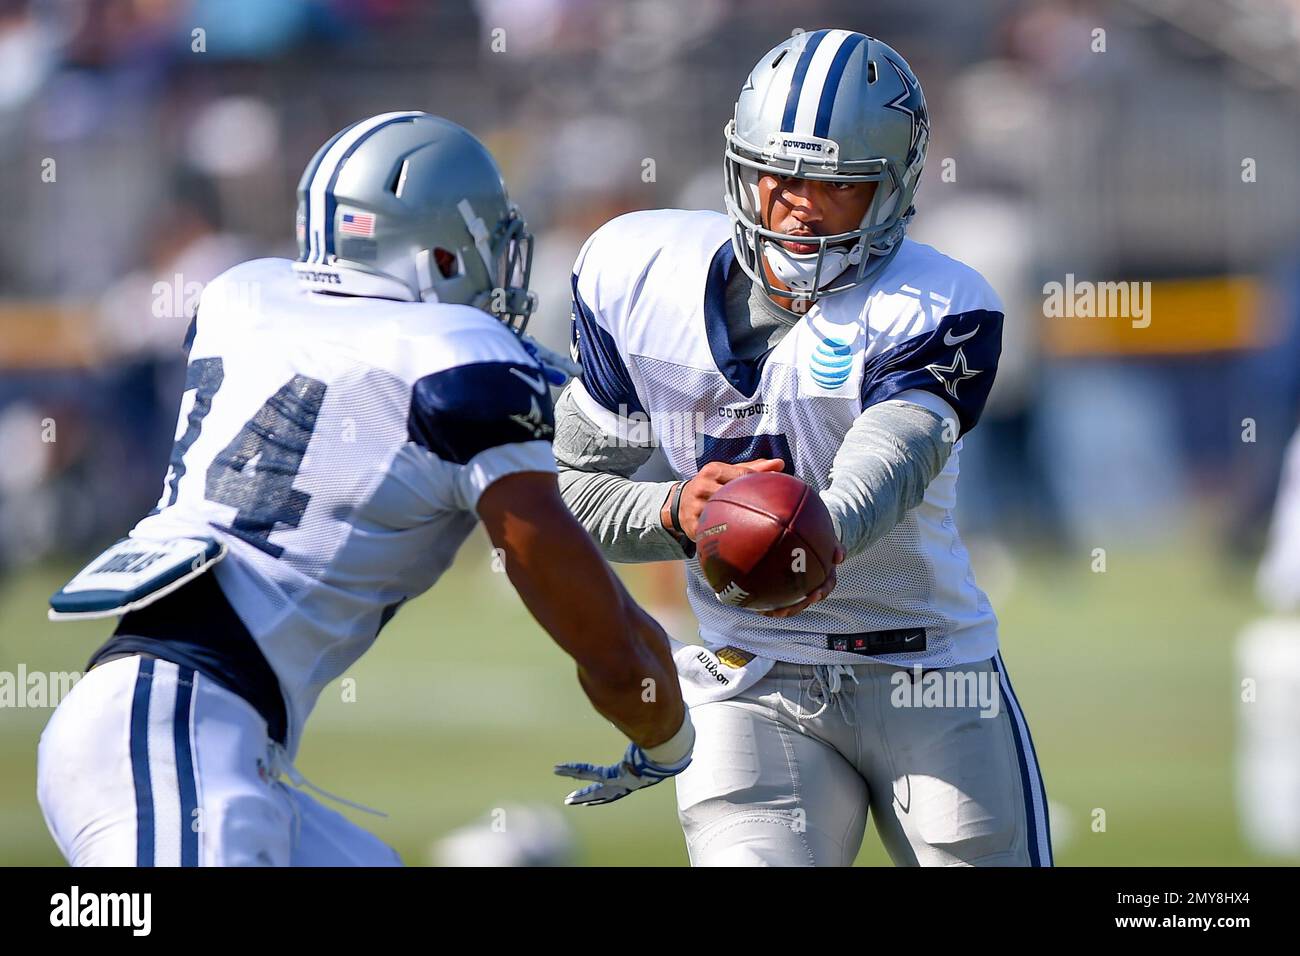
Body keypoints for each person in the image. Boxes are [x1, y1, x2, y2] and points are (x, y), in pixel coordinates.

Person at [37, 111, 692, 866]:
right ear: (441, 252)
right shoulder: (453, 356)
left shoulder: (243, 296)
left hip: (181, 728)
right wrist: (674, 734)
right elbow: (600, 640)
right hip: (176, 734)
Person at [553, 32, 1051, 866]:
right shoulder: (635, 276)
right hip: (749, 678)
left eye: (837, 186)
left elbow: (890, 461)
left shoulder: (934, 303)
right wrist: (679, 510)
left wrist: (804, 535)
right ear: (738, 169)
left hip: (925, 668)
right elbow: (573, 492)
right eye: (779, 177)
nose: (800, 207)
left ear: (893, 190)